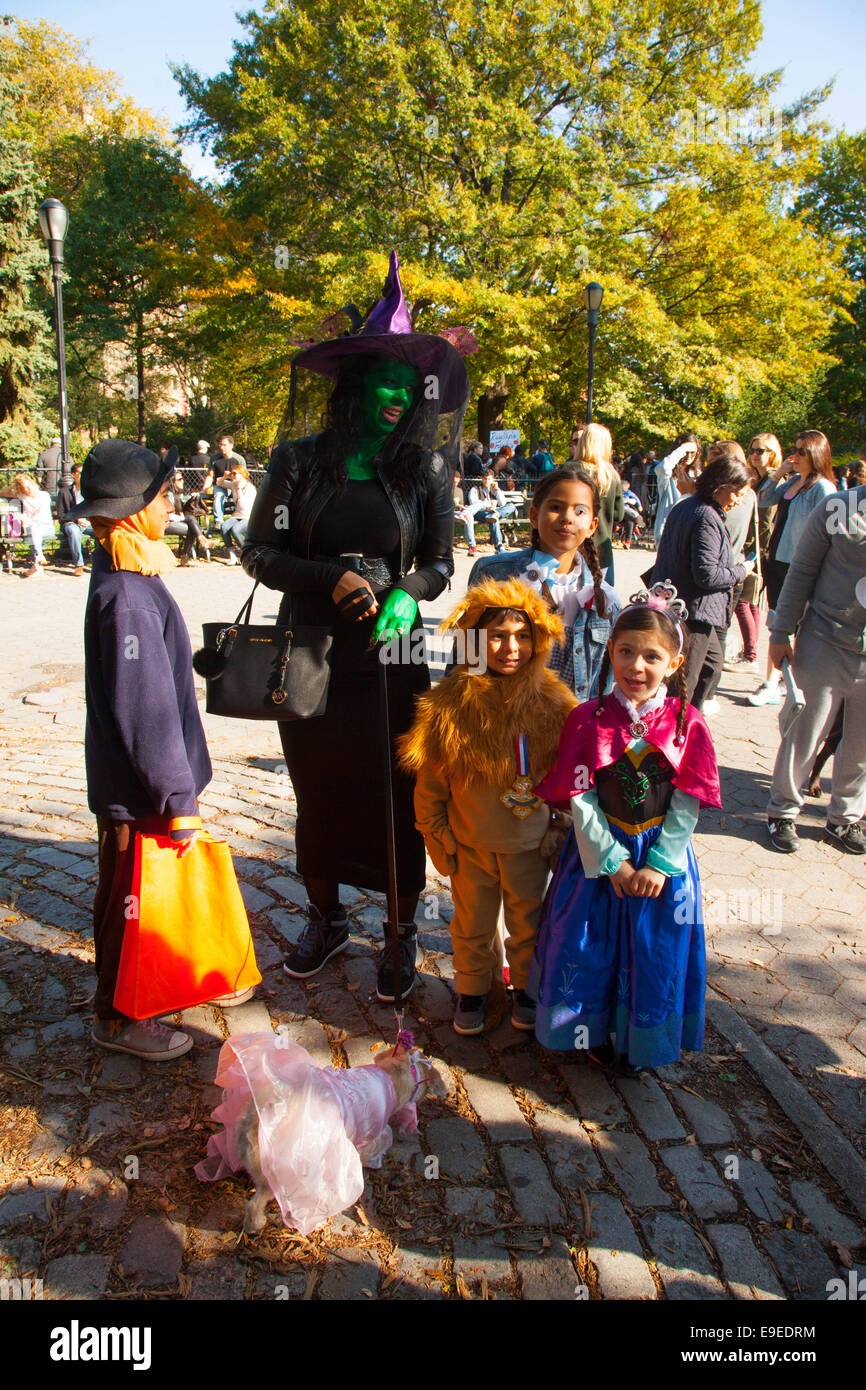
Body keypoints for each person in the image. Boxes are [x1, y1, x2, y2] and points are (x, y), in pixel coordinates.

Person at [241, 251, 469, 1001]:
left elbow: (442, 563)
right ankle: (326, 915)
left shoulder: (426, 472)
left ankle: (401, 932)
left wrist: (407, 591)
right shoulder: (298, 462)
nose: (400, 400)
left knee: (399, 789)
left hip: (396, 650)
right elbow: (259, 553)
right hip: (310, 647)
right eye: (385, 386)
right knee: (321, 785)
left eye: (410, 388)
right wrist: (327, 577)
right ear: (355, 389)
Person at [66, 440, 226, 1062]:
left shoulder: (128, 573)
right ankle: (118, 1015)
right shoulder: (127, 594)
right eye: (162, 497)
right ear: (133, 510)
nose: (171, 505)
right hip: (139, 790)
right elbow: (143, 709)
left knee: (130, 898)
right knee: (131, 904)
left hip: (135, 784)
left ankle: (135, 995)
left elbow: (149, 671)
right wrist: (176, 795)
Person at [527, 586, 721, 1070]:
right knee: (586, 943)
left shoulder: (687, 724)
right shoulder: (587, 719)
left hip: (661, 861)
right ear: (610, 651)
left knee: (651, 952)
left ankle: (638, 1042)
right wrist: (611, 860)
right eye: (626, 651)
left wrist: (659, 864)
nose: (636, 666)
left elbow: (688, 799)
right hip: (596, 855)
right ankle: (582, 1031)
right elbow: (579, 794)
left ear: (674, 665)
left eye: (652, 656)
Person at [399, 578, 577, 1035]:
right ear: (474, 640)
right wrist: (438, 836)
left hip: (528, 846)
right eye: (496, 635)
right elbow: (431, 784)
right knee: (471, 924)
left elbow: (570, 780)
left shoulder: (554, 705)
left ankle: (526, 988)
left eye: (521, 636)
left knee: (529, 920)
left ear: (538, 640)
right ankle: (474, 990)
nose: (509, 647)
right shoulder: (449, 706)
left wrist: (560, 826)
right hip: (471, 845)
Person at [764, 482, 866, 855]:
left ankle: (845, 819)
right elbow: (802, 570)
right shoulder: (838, 508)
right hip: (825, 641)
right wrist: (780, 631)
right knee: (805, 732)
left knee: (860, 745)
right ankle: (782, 812)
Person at [469, 465, 620, 701]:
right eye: (556, 507)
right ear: (534, 516)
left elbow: (605, 687)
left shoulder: (605, 599)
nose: (567, 518)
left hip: (573, 729)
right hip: (503, 724)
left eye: (579, 511)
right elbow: (467, 660)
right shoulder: (493, 574)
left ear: (592, 526)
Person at [649, 455, 754, 710]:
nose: (739, 500)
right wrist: (742, 570)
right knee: (684, 682)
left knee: (711, 666)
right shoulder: (705, 515)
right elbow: (707, 575)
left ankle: (688, 724)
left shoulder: (690, 506)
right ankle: (676, 731)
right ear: (721, 487)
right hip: (692, 612)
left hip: (687, 608)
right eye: (738, 493)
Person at [749, 430, 837, 707]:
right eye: (794, 449)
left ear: (816, 454)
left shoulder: (823, 488)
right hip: (777, 559)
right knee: (778, 620)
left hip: (800, 564)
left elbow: (830, 532)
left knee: (789, 624)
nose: (794, 455)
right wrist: (779, 472)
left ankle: (775, 683)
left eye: (802, 451)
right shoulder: (793, 481)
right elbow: (762, 499)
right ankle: (778, 682)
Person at [572, 423, 624, 583]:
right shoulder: (612, 475)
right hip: (602, 547)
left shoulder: (570, 469)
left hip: (572, 546)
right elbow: (619, 514)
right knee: (603, 599)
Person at [0, 474, 55, 577]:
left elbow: (40, 516)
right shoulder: (23, 496)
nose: (27, 490)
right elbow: (2, 492)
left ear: (32, 484)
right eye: (24, 488)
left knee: (34, 528)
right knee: (33, 529)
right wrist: (14, 485)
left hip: (46, 527)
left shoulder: (44, 495)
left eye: (28, 486)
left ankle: (38, 558)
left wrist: (26, 519)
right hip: (32, 528)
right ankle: (38, 562)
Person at [653, 434, 701, 544]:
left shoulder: (697, 474)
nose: (688, 455)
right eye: (686, 452)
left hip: (689, 529)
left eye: (692, 452)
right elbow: (663, 468)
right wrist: (681, 450)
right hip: (668, 530)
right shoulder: (668, 476)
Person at [165, 468, 211, 565]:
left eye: (182, 478)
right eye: (179, 479)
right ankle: (186, 554)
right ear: (173, 481)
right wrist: (181, 518)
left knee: (192, 523)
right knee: (193, 528)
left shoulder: (179, 494)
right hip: (167, 523)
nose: (183, 481)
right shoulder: (168, 495)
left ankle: (199, 542)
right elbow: (167, 515)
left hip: (176, 520)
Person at [56, 465, 95, 574]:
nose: (83, 475)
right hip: (71, 523)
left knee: (103, 530)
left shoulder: (89, 492)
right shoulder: (65, 492)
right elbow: (61, 515)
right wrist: (76, 519)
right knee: (74, 531)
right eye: (80, 473)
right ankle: (79, 565)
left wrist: (90, 520)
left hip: (87, 523)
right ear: (73, 474)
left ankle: (99, 563)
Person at [201, 434, 245, 529]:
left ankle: (242, 520)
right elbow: (210, 476)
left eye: (224, 445)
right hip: (220, 484)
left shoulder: (239, 459)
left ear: (231, 445)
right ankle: (218, 521)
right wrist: (204, 489)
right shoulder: (214, 459)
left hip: (235, 485)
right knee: (218, 495)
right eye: (220, 445)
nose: (221, 447)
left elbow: (244, 477)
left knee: (240, 497)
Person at [462, 469, 506, 554]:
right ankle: (497, 546)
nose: (487, 481)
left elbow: (503, 503)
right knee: (491, 515)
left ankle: (498, 546)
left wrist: (497, 490)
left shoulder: (494, 490)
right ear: (482, 479)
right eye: (485, 479)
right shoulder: (475, 489)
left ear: (493, 480)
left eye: (489, 479)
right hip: (480, 513)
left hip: (493, 512)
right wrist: (488, 507)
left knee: (507, 508)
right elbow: (473, 503)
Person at [221, 463, 257, 563]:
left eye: (235, 474)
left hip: (248, 517)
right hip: (237, 515)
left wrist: (239, 489)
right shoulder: (234, 485)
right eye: (231, 474)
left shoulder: (250, 489)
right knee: (224, 527)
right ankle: (232, 555)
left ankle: (248, 554)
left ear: (242, 475)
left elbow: (242, 506)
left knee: (236, 530)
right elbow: (219, 483)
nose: (233, 476)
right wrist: (225, 477)